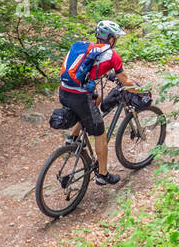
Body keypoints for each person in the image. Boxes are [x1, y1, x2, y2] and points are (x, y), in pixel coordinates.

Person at [59, 19, 144, 186]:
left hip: (64, 91)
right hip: (80, 97)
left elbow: (90, 69)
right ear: (111, 39)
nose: (116, 41)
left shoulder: (87, 48)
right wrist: (143, 91)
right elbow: (126, 82)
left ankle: (73, 138)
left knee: (96, 99)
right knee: (101, 135)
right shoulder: (112, 55)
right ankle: (103, 175)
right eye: (116, 38)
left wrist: (107, 75)